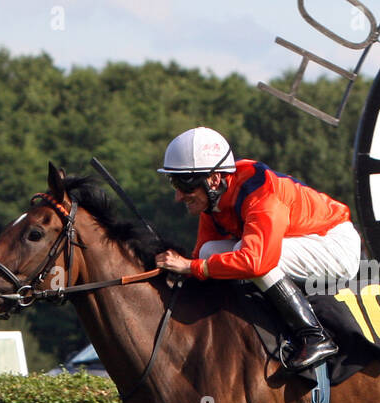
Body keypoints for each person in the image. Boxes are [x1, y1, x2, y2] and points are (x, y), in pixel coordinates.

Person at [153, 127, 360, 371]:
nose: (178, 196)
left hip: (335, 244)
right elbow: (202, 258)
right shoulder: (213, 201)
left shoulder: (261, 192)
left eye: (184, 185)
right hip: (301, 243)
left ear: (214, 179)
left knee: (248, 253)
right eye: (173, 183)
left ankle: (314, 336)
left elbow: (257, 261)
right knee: (210, 251)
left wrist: (190, 266)